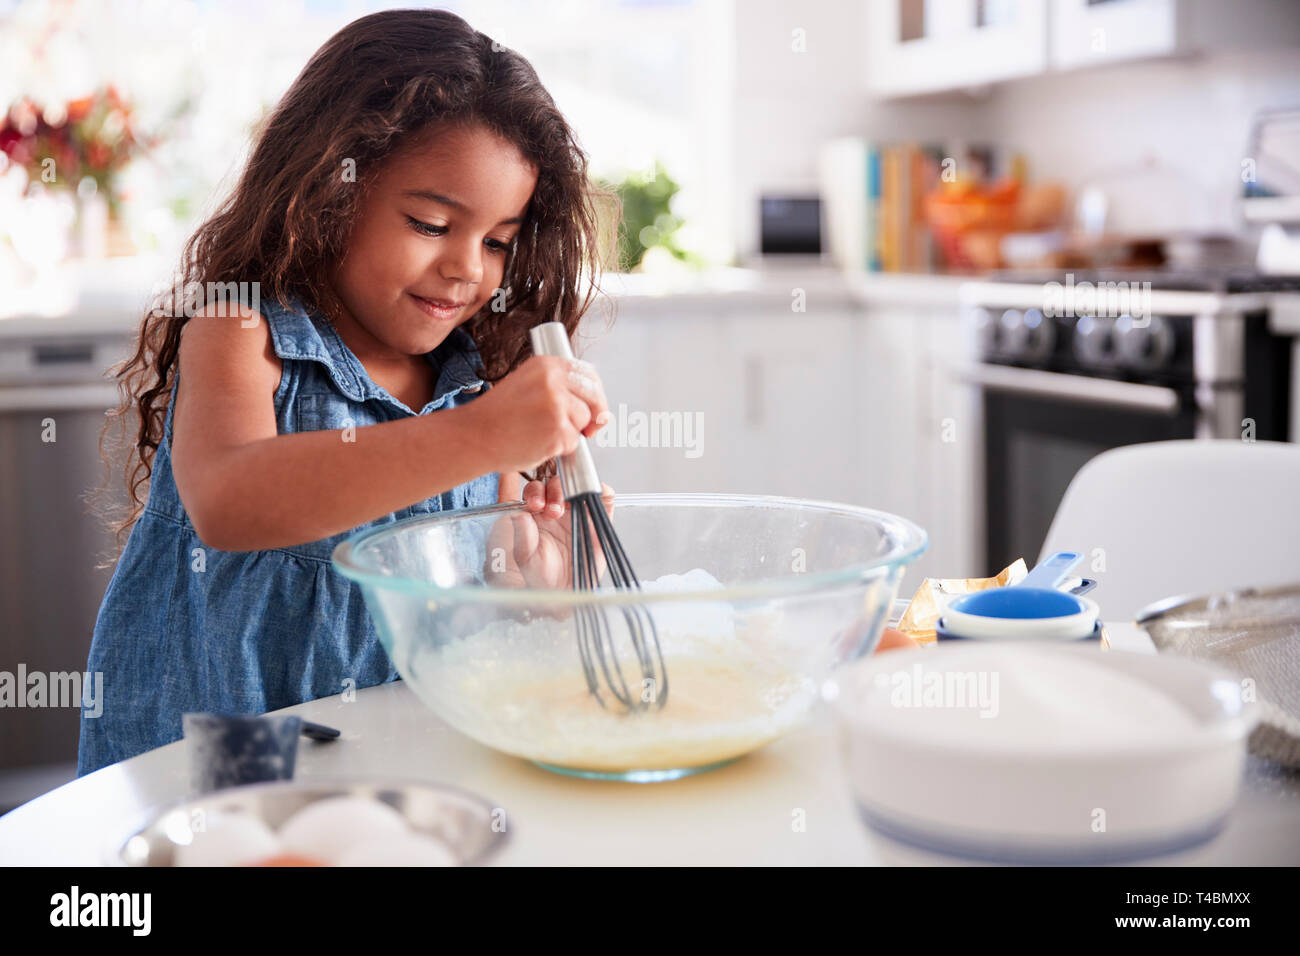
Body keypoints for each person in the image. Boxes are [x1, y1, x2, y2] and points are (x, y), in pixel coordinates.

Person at [78, 8, 614, 775]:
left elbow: (483, 623)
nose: (469, 267)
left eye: (497, 241)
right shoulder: (240, 333)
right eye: (432, 223)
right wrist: (486, 434)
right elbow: (231, 501)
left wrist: (545, 577)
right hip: (209, 770)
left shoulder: (475, 395)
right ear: (331, 192)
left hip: (390, 773)